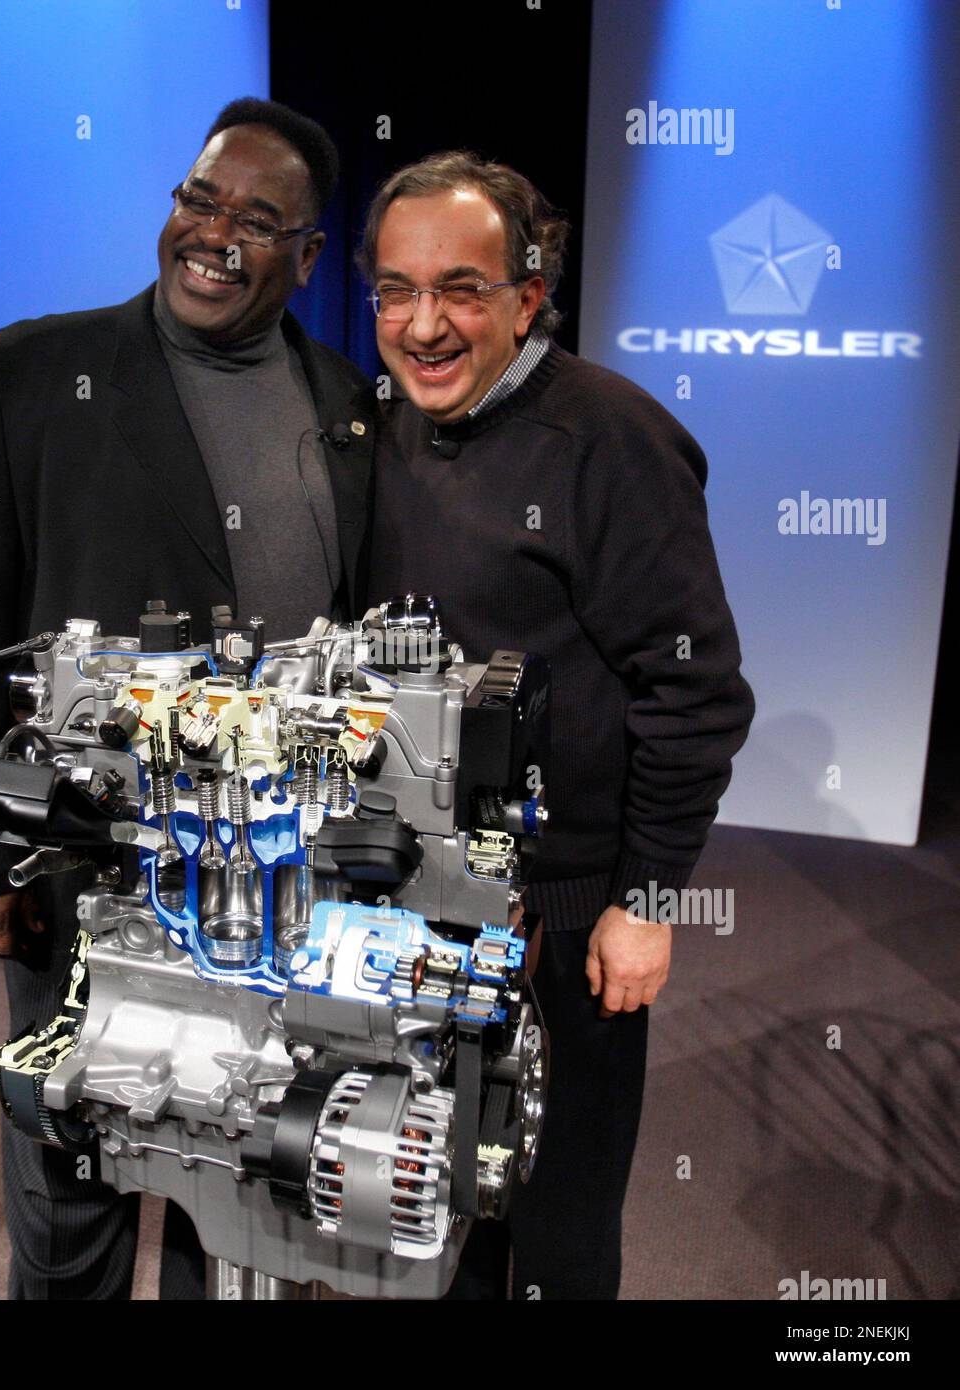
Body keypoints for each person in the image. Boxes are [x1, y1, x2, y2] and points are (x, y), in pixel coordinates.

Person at [0, 97, 376, 1300]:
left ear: (307, 256)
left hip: (279, 875)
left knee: (258, 1185)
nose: (211, 234)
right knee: (72, 1196)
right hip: (85, 872)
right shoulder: (23, 373)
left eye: (255, 220)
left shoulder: (348, 405)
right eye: (197, 200)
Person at [360, 152, 756, 1299]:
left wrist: (646, 900)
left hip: (566, 923)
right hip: (410, 909)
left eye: (461, 288)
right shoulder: (377, 431)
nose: (423, 324)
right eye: (395, 290)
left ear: (528, 295)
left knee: (559, 1218)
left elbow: (696, 688)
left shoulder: (612, 442)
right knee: (429, 1206)